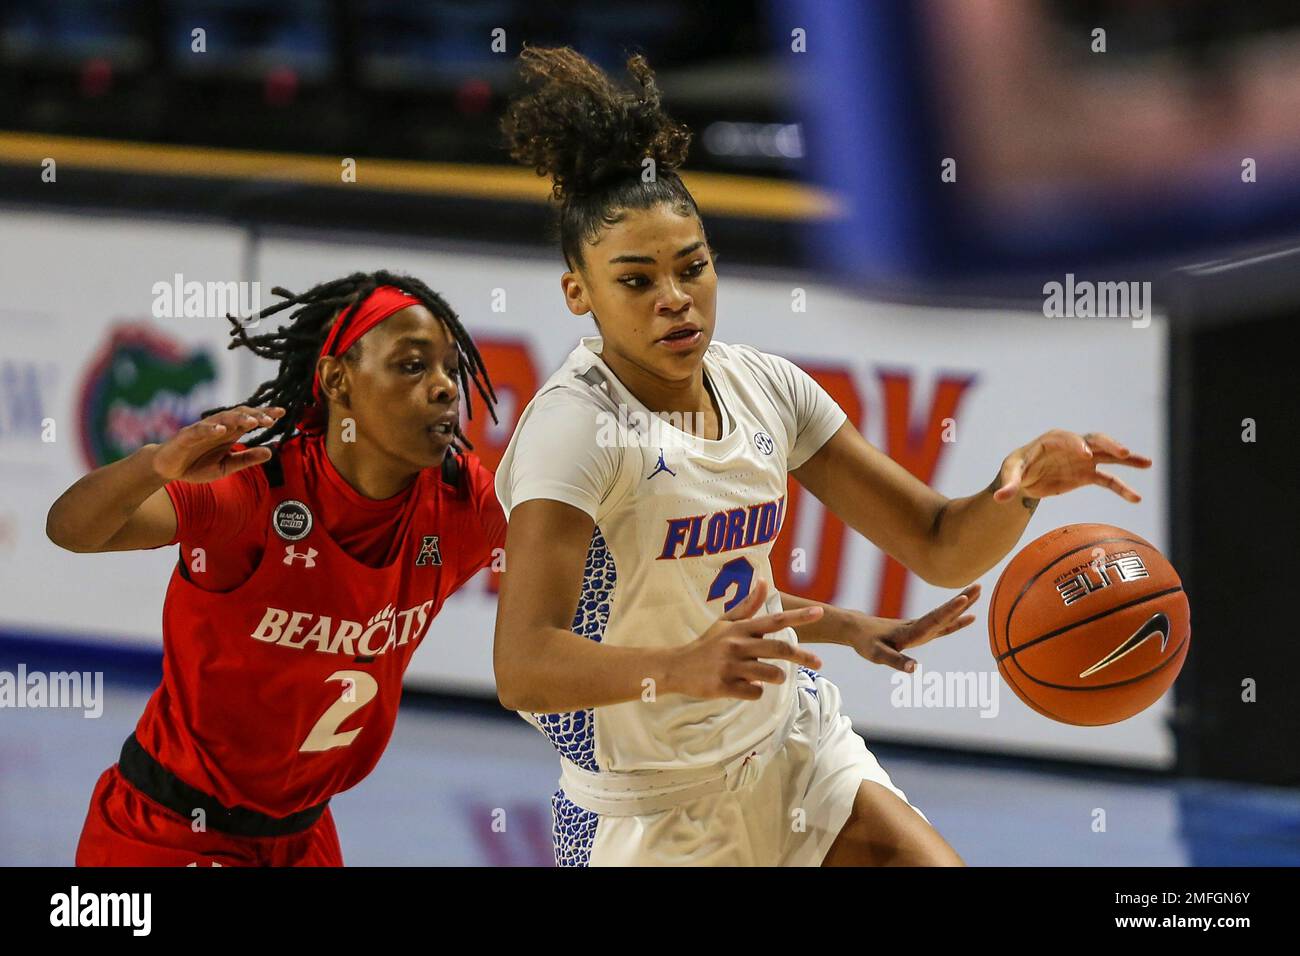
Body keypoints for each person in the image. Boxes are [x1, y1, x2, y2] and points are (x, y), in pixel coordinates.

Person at [491, 47, 1152, 866]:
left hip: (790, 747)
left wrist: (1018, 488)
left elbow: (942, 544)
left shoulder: (768, 386)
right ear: (578, 293)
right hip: (645, 809)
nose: (674, 297)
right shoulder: (574, 430)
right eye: (636, 280)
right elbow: (523, 666)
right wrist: (681, 668)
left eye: (692, 267)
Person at [49, 271, 505, 866]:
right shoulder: (255, 489)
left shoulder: (461, 503)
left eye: (450, 367)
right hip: (166, 831)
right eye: (413, 365)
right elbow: (72, 529)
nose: (445, 387)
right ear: (337, 379)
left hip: (301, 837)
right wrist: (153, 465)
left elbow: (599, 541)